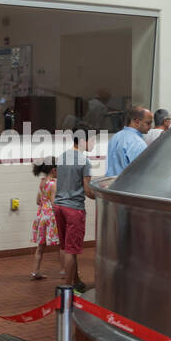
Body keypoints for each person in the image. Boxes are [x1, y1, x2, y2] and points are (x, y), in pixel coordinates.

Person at [54, 123, 96, 293]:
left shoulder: (62, 157)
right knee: (72, 249)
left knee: (66, 247)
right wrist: (100, 195)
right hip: (74, 209)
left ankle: (76, 281)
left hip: (59, 206)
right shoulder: (84, 161)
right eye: (93, 140)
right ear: (84, 140)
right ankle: (68, 289)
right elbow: (87, 190)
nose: (94, 143)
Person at [29, 163, 59, 279]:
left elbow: (38, 200)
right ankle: (65, 270)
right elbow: (53, 202)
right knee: (61, 245)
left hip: (41, 215)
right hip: (50, 216)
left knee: (40, 246)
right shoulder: (53, 184)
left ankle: (35, 271)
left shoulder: (42, 182)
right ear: (53, 170)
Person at [105, 105, 153, 176]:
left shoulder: (116, 137)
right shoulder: (137, 143)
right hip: (127, 185)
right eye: (148, 123)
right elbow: (141, 173)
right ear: (137, 122)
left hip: (112, 184)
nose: (150, 126)